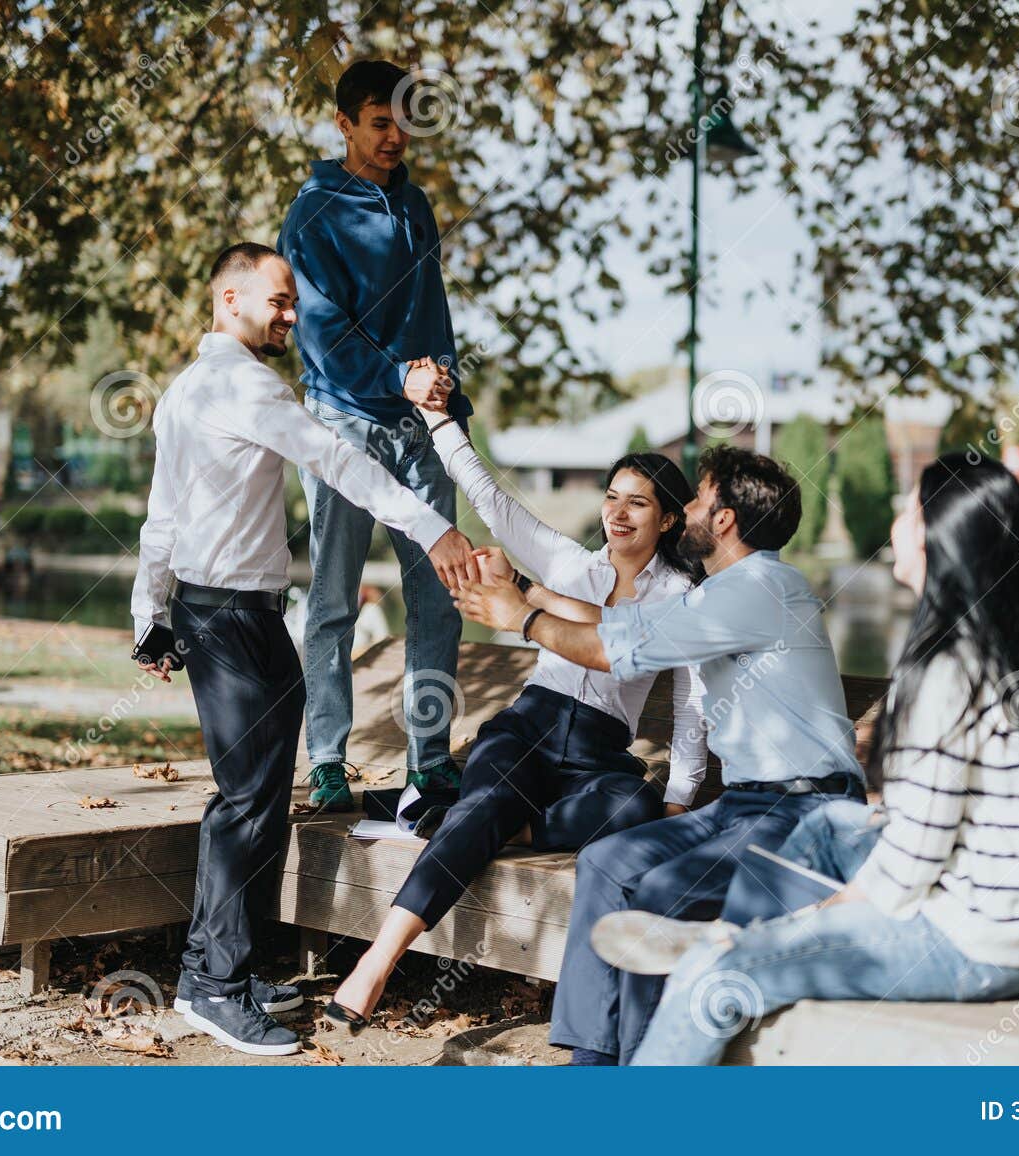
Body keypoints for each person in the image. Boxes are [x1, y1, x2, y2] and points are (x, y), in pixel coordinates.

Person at [595, 453, 1019, 1065]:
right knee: (826, 824)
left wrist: (811, 925)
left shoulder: (947, 673)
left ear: (941, 535)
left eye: (911, 509)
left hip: (979, 941)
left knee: (716, 977)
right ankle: (734, 936)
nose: (898, 520)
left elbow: (910, 868)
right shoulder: (1009, 642)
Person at [131, 242, 474, 1056]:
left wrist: (150, 610)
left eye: (293, 304)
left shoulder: (186, 389)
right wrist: (433, 527)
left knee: (258, 797)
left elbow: (161, 515)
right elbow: (340, 462)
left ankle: (223, 969)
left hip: (236, 612)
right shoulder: (246, 387)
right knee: (244, 802)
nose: (292, 316)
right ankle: (214, 987)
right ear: (228, 298)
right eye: (278, 302)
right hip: (231, 618)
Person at [454, 446, 864, 1065]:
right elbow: (622, 627)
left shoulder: (763, 587)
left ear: (723, 520)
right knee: (608, 861)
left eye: (698, 498)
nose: (689, 507)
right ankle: (591, 1066)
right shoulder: (721, 592)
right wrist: (525, 595)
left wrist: (523, 619)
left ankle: (648, 1072)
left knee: (660, 891)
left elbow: (625, 651)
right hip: (745, 806)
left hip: (806, 812)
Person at [322, 415, 710, 1030]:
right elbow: (491, 499)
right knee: (488, 805)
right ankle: (377, 961)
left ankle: (471, 816)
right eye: (611, 496)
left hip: (601, 751)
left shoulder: (682, 599)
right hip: (528, 724)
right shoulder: (568, 563)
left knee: (635, 806)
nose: (618, 512)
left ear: (667, 519)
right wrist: (438, 420)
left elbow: (692, 703)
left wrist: (683, 795)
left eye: (638, 503)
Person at [278, 60, 468, 811]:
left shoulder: (415, 203)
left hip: (421, 424)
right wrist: (398, 379)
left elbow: (432, 311)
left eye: (403, 123)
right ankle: (327, 758)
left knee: (441, 596)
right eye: (379, 123)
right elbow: (321, 337)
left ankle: (432, 759)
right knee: (333, 599)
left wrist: (445, 385)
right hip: (344, 427)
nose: (394, 137)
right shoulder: (312, 216)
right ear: (345, 124)